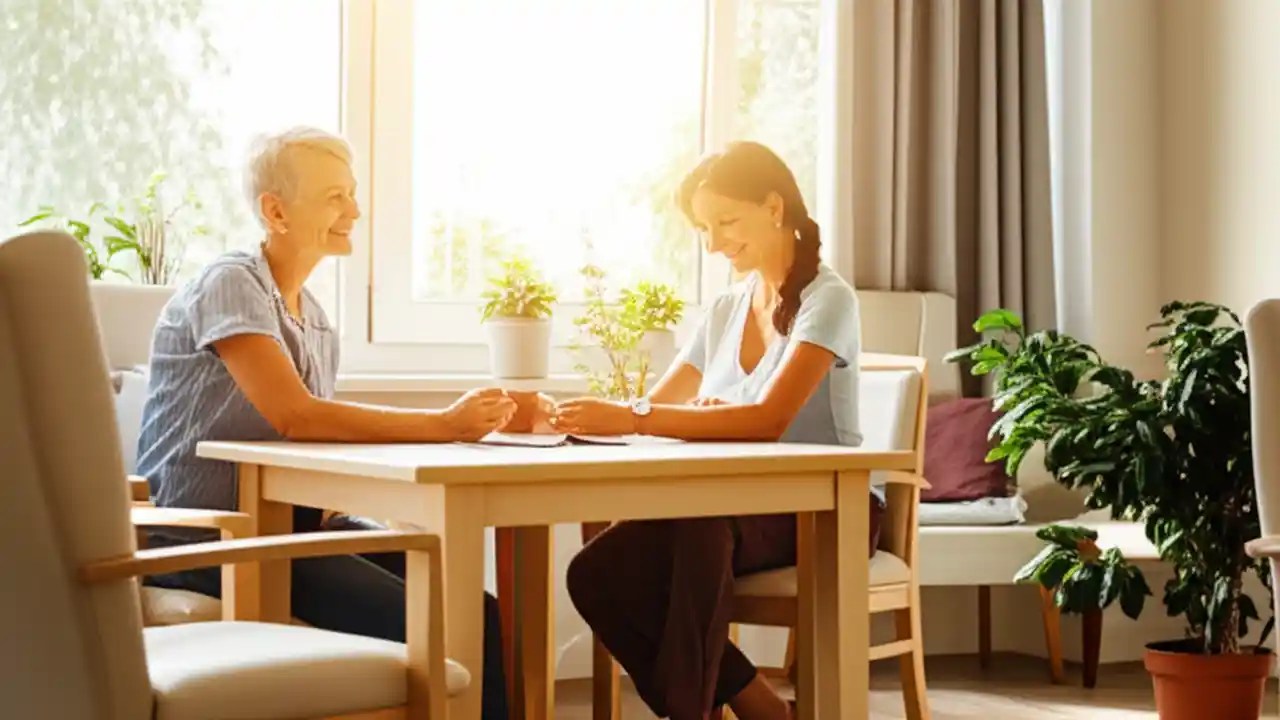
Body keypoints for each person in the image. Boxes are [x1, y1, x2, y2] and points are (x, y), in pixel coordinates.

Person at [136, 127, 514, 720]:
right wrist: (444, 424)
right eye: (336, 196)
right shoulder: (231, 283)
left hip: (289, 534)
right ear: (276, 211)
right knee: (448, 628)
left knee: (479, 614)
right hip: (207, 541)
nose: (356, 210)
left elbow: (316, 433)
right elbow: (297, 416)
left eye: (354, 193)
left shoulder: (312, 316)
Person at [554, 141, 883, 720]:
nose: (713, 243)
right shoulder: (728, 307)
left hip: (829, 511)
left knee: (699, 524)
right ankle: (759, 706)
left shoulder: (828, 299)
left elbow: (767, 420)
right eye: (706, 228)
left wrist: (650, 417)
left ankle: (695, 712)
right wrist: (569, 419)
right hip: (735, 505)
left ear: (774, 207)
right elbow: (656, 409)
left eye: (726, 221)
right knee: (596, 573)